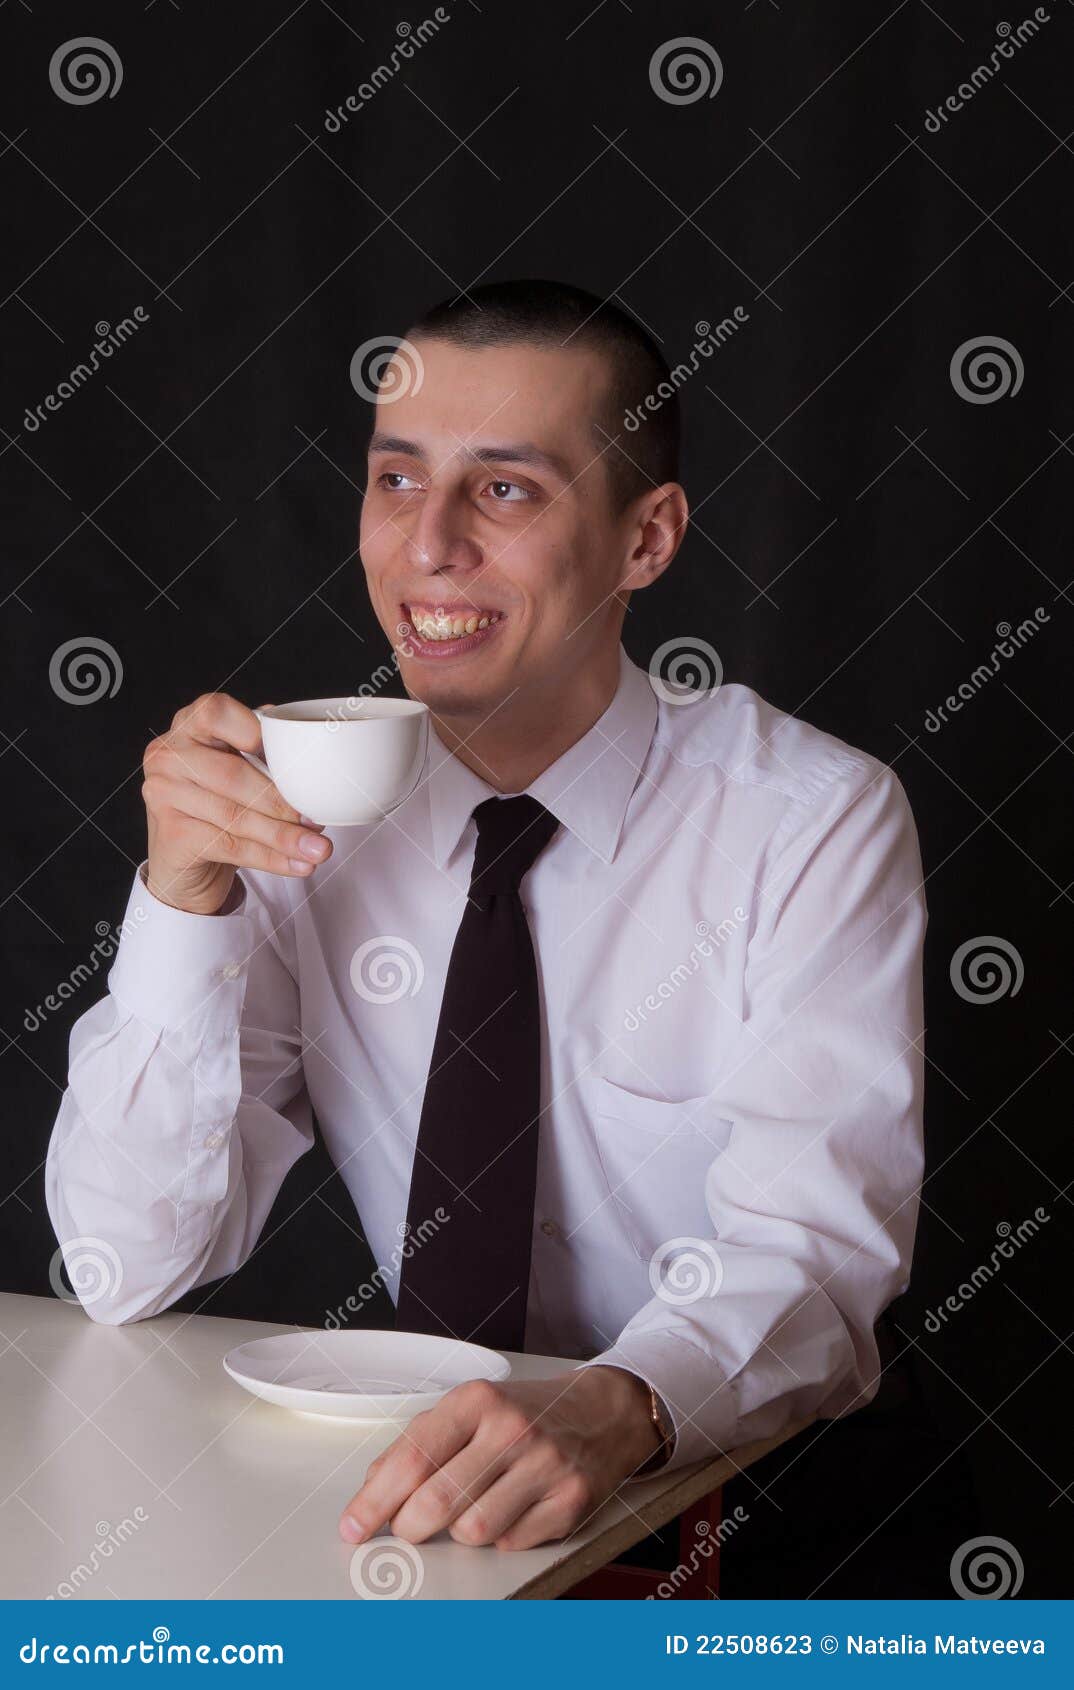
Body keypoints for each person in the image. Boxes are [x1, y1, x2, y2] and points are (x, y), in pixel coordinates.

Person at [46, 279, 926, 1558]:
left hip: (742, 1510)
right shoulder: (296, 818)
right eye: (398, 480)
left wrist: (619, 1406)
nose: (429, 546)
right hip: (418, 1514)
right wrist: (184, 902)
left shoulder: (808, 820)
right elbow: (127, 1261)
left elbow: (817, 1258)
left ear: (647, 540)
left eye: (505, 490)